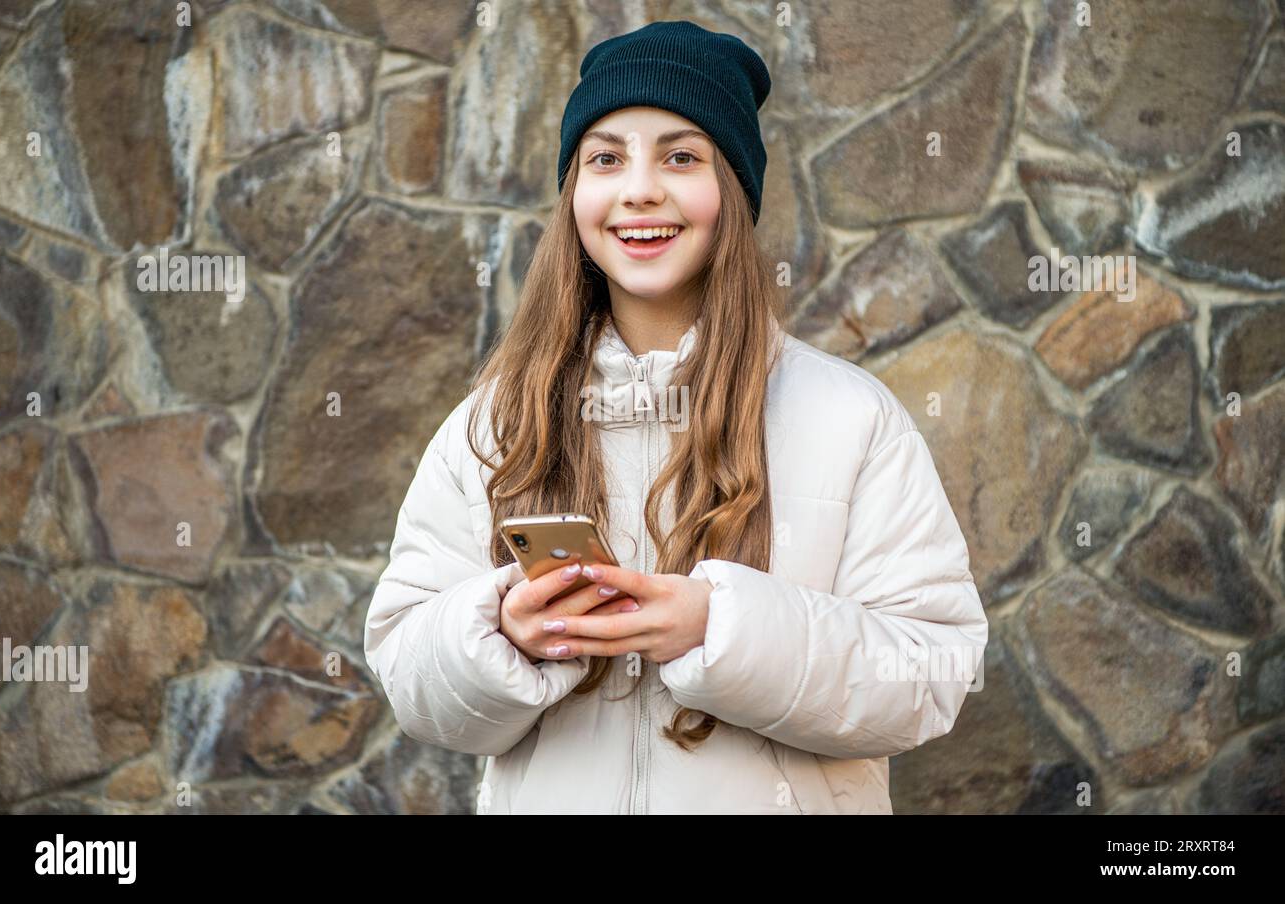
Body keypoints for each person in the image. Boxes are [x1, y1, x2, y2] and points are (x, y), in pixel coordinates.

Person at [363, 20, 988, 815]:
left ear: (733, 189)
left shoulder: (852, 418)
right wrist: (500, 631)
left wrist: (717, 630)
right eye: (606, 158)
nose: (639, 190)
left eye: (682, 156)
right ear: (575, 196)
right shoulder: (493, 423)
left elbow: (931, 674)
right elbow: (407, 675)